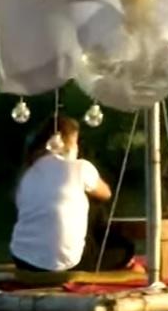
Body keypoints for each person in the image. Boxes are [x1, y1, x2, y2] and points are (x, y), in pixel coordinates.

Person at [10, 116, 135, 273]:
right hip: (68, 264)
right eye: (75, 142)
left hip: (22, 260)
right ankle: (97, 246)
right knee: (126, 248)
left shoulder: (27, 172)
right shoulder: (79, 167)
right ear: (67, 144)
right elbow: (106, 193)